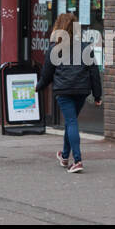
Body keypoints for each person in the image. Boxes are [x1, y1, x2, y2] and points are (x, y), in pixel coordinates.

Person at [36, 12, 102, 174]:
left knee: (71, 122)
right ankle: (65, 156)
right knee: (70, 122)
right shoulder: (86, 47)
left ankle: (77, 160)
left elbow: (47, 73)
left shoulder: (55, 47)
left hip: (63, 90)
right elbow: (94, 73)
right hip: (81, 91)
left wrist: (39, 87)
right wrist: (97, 95)